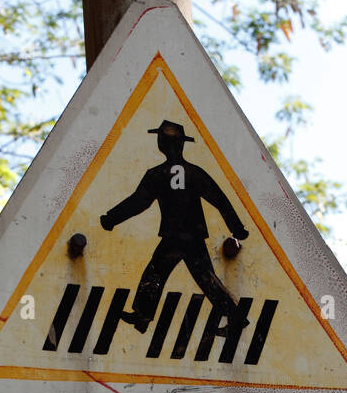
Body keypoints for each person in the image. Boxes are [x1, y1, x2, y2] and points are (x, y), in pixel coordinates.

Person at [101, 119, 250, 333]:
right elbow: (219, 199)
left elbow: (138, 202)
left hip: (176, 236)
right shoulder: (193, 172)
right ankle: (143, 316)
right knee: (179, 274)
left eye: (161, 138)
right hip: (192, 235)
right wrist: (237, 227)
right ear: (181, 145)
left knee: (162, 273)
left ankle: (144, 316)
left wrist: (111, 218)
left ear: (162, 143)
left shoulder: (158, 174)